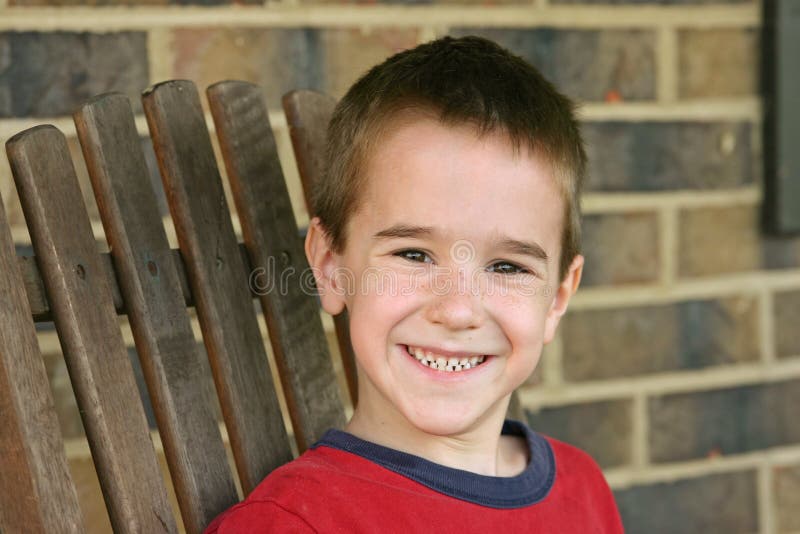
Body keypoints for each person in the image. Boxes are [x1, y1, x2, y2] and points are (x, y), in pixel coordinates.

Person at [205, 35, 623, 533]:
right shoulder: (296, 524)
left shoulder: (582, 489)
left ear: (557, 297)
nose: (457, 310)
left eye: (507, 267)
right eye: (414, 254)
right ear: (331, 266)